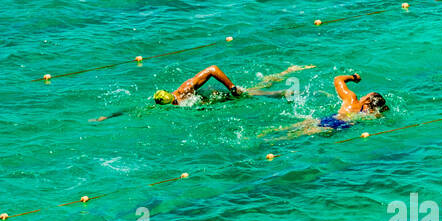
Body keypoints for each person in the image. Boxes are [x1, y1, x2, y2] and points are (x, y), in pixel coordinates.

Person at [92, 64, 313, 121]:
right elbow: (134, 109)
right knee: (255, 89)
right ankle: (282, 81)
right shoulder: (164, 103)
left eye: (175, 102)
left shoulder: (186, 89)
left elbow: (213, 69)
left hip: (217, 94)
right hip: (211, 102)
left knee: (247, 93)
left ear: (174, 96)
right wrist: (109, 116)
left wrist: (231, 87)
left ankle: (284, 90)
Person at [283, 72, 388, 135]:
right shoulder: (370, 112)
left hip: (332, 119)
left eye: (366, 95)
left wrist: (354, 77)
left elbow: (338, 79)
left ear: (368, 99)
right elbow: (381, 117)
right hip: (342, 126)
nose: (364, 95)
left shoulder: (352, 99)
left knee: (290, 129)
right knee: (297, 135)